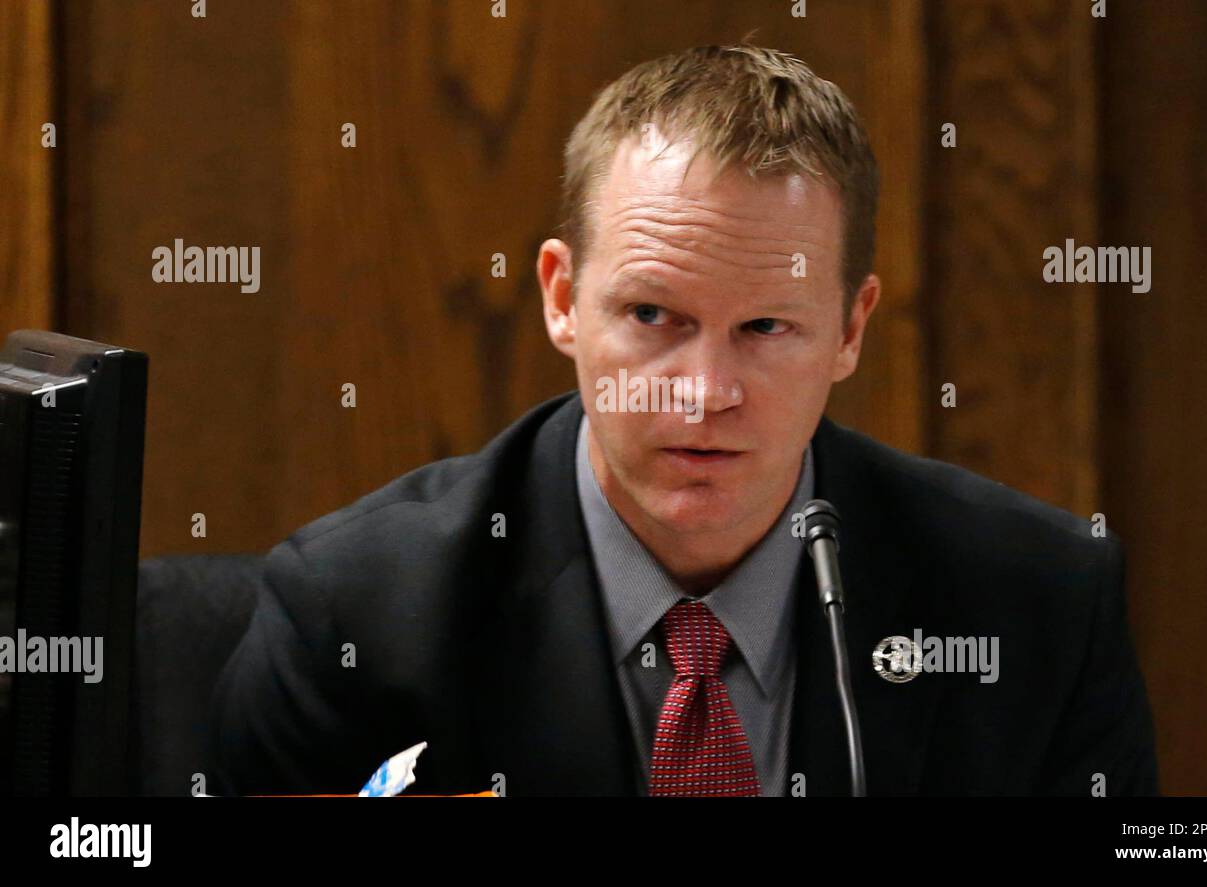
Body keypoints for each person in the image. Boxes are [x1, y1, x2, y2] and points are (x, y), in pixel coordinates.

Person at [212, 43, 1158, 797]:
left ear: (851, 328)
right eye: (654, 316)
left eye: (765, 327)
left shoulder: (1037, 606)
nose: (703, 392)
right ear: (561, 297)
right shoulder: (358, 614)